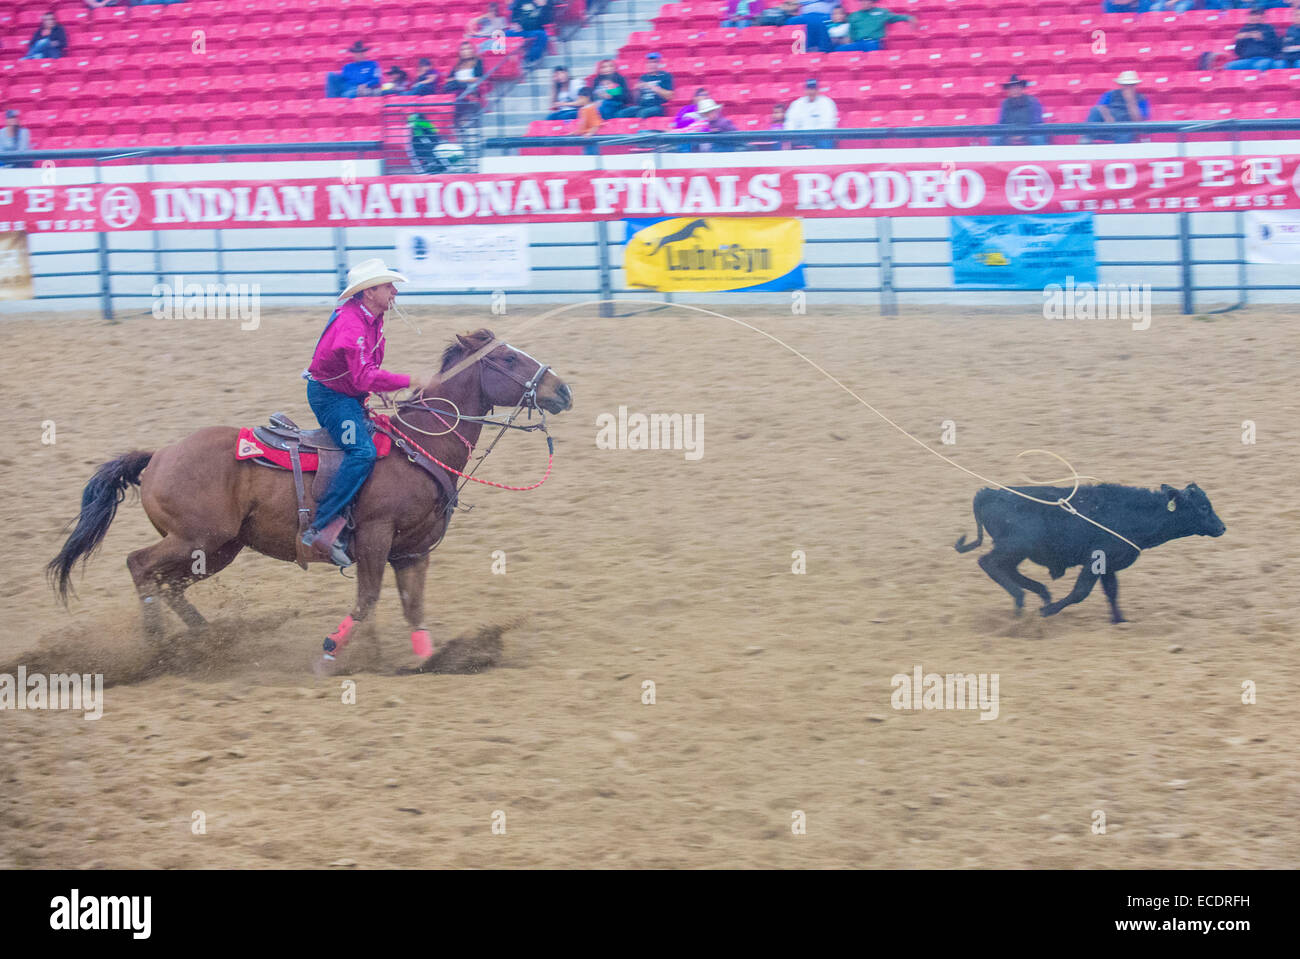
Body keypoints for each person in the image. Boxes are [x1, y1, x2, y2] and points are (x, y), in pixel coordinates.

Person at [301, 259, 420, 568]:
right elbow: (364, 376)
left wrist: (373, 387)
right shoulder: (352, 324)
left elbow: (362, 374)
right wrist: (409, 381)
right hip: (331, 399)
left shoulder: (371, 316)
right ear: (369, 292)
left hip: (346, 394)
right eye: (388, 286)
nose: (395, 291)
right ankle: (321, 527)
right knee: (362, 451)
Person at [1084, 71, 1150, 143]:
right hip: (1108, 126)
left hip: (1125, 129)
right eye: (1125, 85)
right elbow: (1100, 107)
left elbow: (1138, 121)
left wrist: (1131, 102)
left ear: (1135, 85)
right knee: (1094, 110)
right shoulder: (1110, 94)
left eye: (1131, 85)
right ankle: (1086, 138)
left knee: (1125, 134)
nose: (1128, 87)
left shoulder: (1141, 98)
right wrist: (1108, 118)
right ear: (1120, 85)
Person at [784, 78, 838, 148]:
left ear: (818, 90)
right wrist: (793, 135)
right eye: (809, 89)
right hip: (801, 137)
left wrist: (813, 135)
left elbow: (829, 124)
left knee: (825, 140)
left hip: (821, 137)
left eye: (813, 89)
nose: (811, 92)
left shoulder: (827, 102)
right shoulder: (797, 103)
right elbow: (790, 122)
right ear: (805, 90)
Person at [842, 0, 915, 52]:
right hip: (858, 43)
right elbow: (851, 33)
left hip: (874, 42)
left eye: (866, 0)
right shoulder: (854, 15)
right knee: (840, 50)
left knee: (872, 54)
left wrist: (909, 17)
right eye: (861, 1)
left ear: (872, 2)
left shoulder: (882, 12)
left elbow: (895, 17)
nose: (863, 2)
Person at [993, 75, 1046, 145]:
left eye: (1017, 88)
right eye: (1012, 88)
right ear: (1008, 91)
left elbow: (1037, 121)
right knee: (995, 138)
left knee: (1037, 138)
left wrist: (1023, 133)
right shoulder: (1004, 103)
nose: (1015, 90)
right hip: (1009, 132)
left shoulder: (1033, 101)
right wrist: (1011, 134)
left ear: (1021, 88)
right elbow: (1001, 122)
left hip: (1030, 131)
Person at [618, 52, 674, 118]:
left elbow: (669, 96)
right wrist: (636, 90)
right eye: (649, 63)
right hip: (642, 106)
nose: (652, 65)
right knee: (621, 114)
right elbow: (637, 100)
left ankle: (638, 128)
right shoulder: (643, 77)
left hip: (657, 106)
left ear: (659, 64)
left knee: (642, 113)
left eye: (654, 62)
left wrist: (652, 87)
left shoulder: (665, 75)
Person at [509, 0, 554, 64]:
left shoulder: (545, 2)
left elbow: (547, 20)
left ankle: (531, 58)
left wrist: (543, 6)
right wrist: (516, 23)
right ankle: (511, 60)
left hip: (535, 30)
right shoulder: (520, 1)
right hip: (521, 30)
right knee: (506, 34)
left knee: (542, 35)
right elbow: (514, 13)